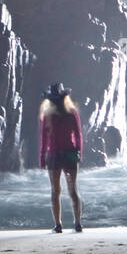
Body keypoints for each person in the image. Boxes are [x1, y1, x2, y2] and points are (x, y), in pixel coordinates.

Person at [39, 82, 83, 233]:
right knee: (73, 190)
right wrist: (79, 152)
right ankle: (77, 223)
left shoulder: (48, 115)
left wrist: (41, 157)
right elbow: (78, 135)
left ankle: (58, 225)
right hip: (70, 154)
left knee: (55, 191)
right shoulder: (72, 113)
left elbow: (44, 139)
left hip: (54, 155)